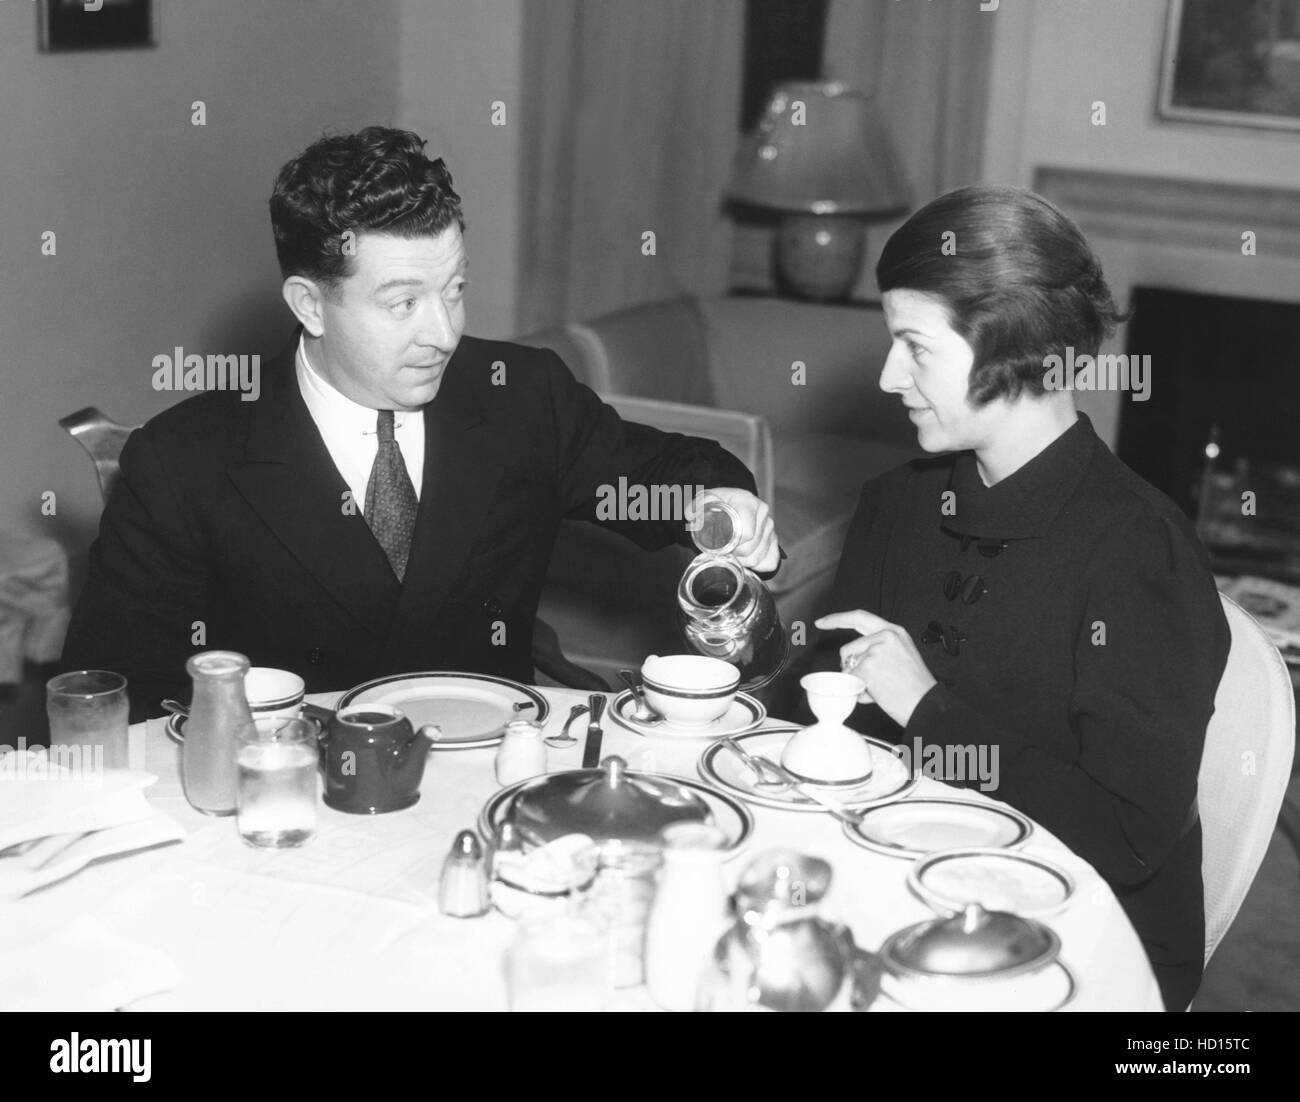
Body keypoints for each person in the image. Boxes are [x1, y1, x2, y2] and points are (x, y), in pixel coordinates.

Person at [62, 126, 777, 721]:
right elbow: (116, 700)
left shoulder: (521, 397)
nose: (444, 333)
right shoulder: (184, 462)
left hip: (485, 769)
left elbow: (660, 477)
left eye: (455, 288)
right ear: (310, 306)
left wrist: (716, 505)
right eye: (403, 303)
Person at [810, 185, 1229, 1010]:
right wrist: (744, 637)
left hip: (1085, 943)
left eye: (915, 347)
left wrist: (926, 709)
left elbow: (1126, 835)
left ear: (1015, 352)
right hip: (916, 883)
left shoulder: (1139, 550)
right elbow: (819, 709)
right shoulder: (898, 502)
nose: (890, 376)